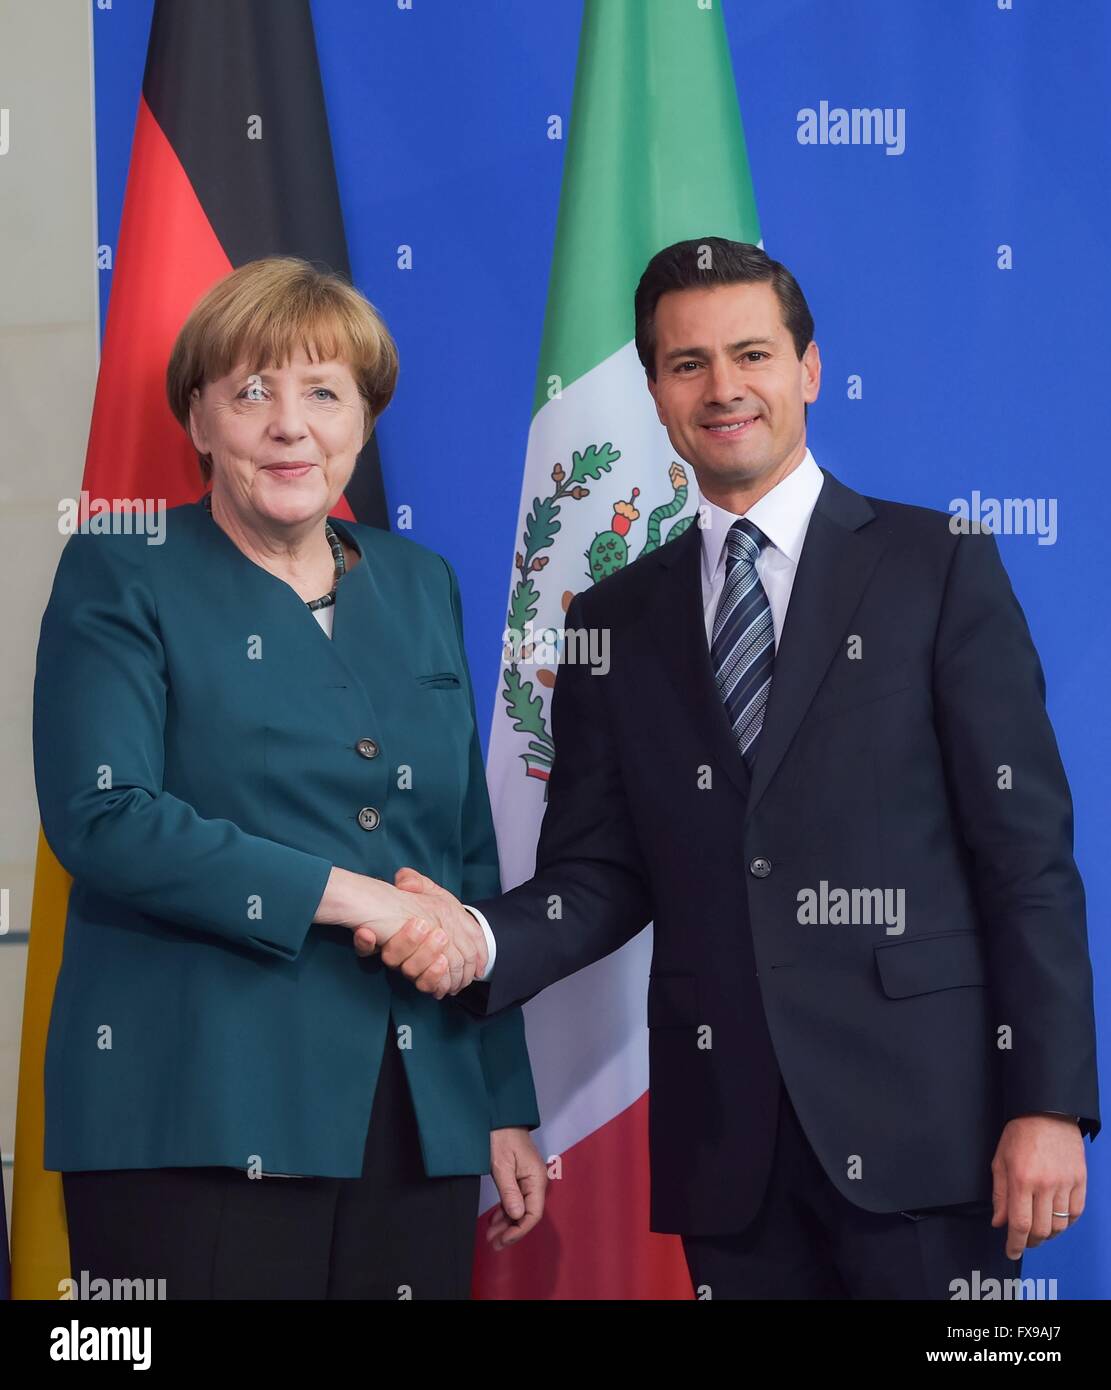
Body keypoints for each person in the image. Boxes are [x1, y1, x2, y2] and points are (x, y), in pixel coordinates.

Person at [365, 238, 1099, 1299]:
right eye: (686, 363)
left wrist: (1047, 1102)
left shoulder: (939, 567)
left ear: (806, 369)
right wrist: (477, 938)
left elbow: (1027, 861)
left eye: (750, 354)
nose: (723, 388)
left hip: (930, 1141)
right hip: (731, 1154)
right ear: (656, 393)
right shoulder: (609, 620)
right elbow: (600, 871)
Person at [32, 255, 545, 1301]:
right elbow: (103, 814)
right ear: (200, 420)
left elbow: (461, 853)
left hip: (416, 1111)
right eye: (251, 390)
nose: (288, 425)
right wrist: (345, 894)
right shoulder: (121, 567)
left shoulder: (418, 580)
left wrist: (497, 1097)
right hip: (199, 1106)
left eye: (324, 393)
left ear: (362, 422)